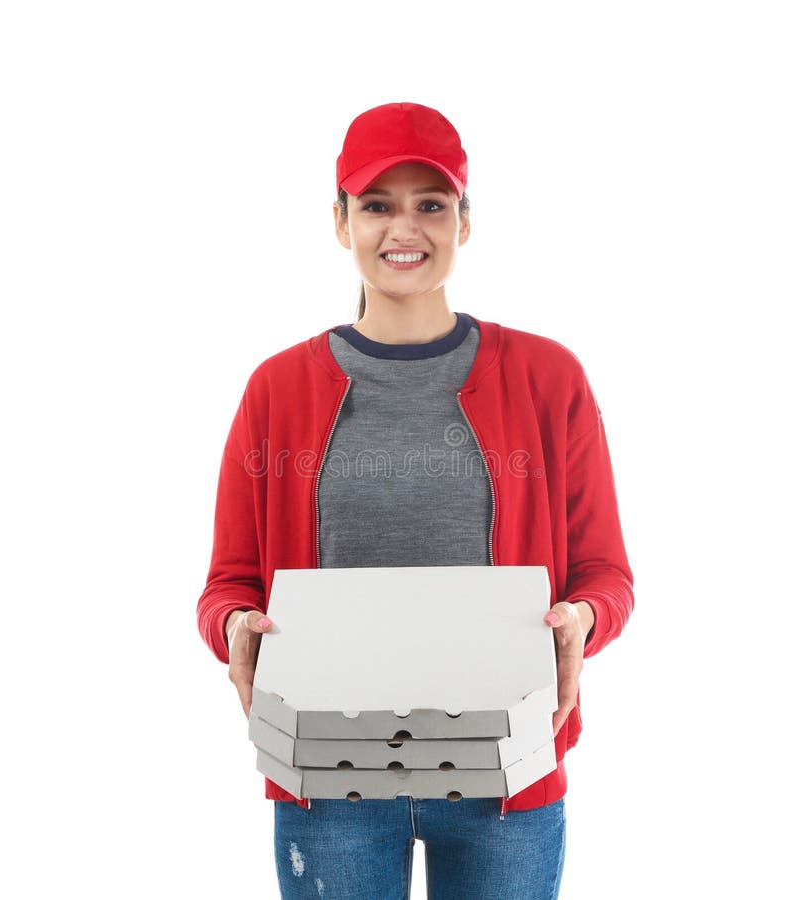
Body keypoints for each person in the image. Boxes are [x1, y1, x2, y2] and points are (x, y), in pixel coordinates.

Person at [196, 101, 634, 900]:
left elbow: (606, 573)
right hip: (327, 783)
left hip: (506, 777)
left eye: (431, 204)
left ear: (465, 222)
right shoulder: (276, 391)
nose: (406, 228)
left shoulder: (549, 379)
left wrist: (581, 621)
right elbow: (229, 584)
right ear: (340, 222)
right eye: (377, 205)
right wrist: (234, 628)